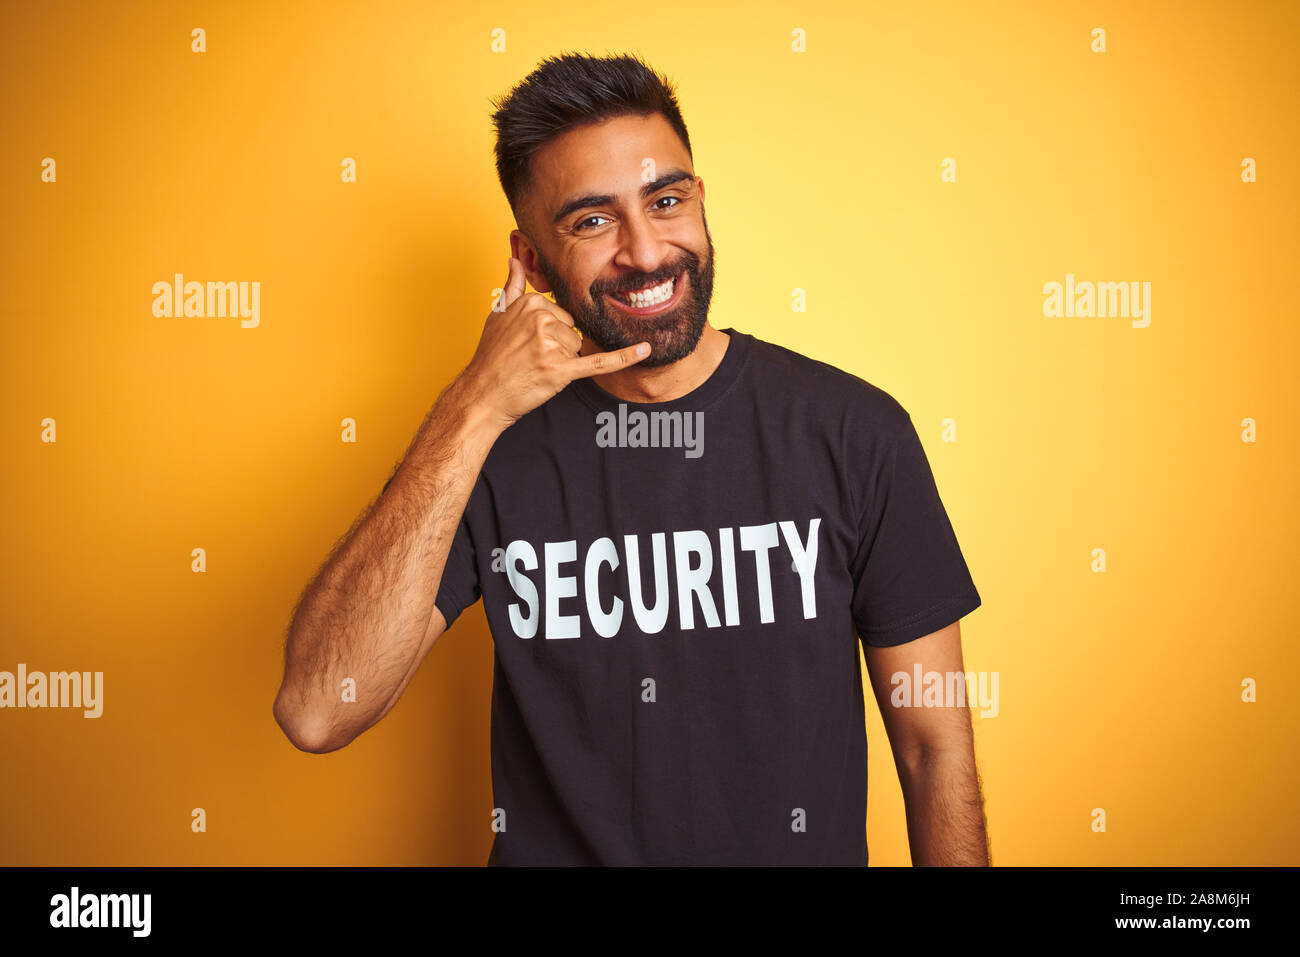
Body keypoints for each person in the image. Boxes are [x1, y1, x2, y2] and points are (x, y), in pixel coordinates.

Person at [274, 52, 988, 867]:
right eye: (592, 220)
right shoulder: (483, 454)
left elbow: (936, 752)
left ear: (700, 201)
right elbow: (317, 711)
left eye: (666, 200)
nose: (646, 253)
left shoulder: (855, 433)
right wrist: (472, 405)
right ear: (532, 262)